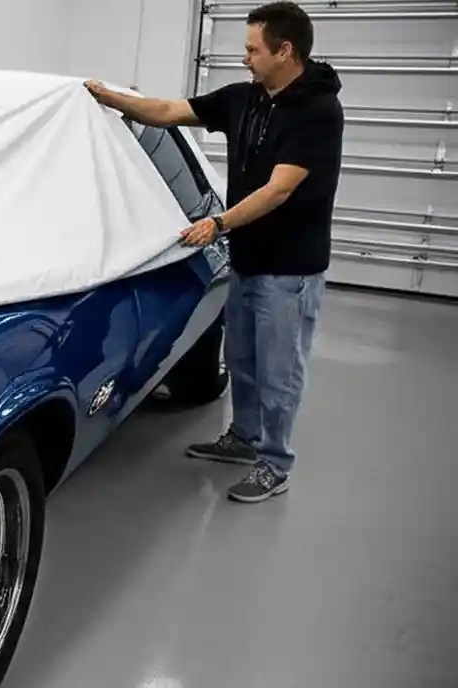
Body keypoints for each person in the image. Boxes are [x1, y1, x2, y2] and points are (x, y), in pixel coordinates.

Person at [84, 1, 343, 503]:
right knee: (242, 358)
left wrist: (218, 224)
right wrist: (108, 96)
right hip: (249, 258)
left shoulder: (318, 112)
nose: (244, 57)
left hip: (290, 270)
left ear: (284, 51)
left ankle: (274, 463)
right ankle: (244, 439)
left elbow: (278, 190)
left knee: (279, 369)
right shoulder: (246, 99)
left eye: (252, 49)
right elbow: (168, 112)